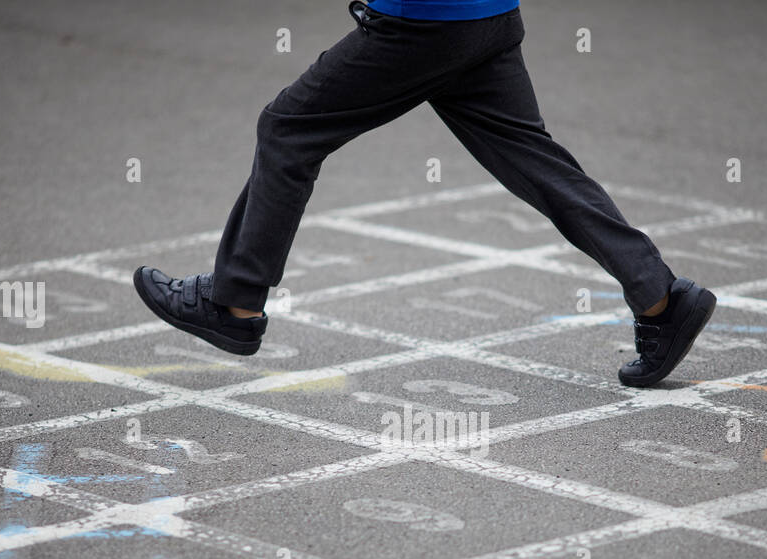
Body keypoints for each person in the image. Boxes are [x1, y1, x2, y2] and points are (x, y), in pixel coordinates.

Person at [133, 0, 715, 387]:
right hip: (488, 14)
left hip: (422, 22)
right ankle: (659, 298)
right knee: (535, 163)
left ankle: (235, 305)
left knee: (288, 129)